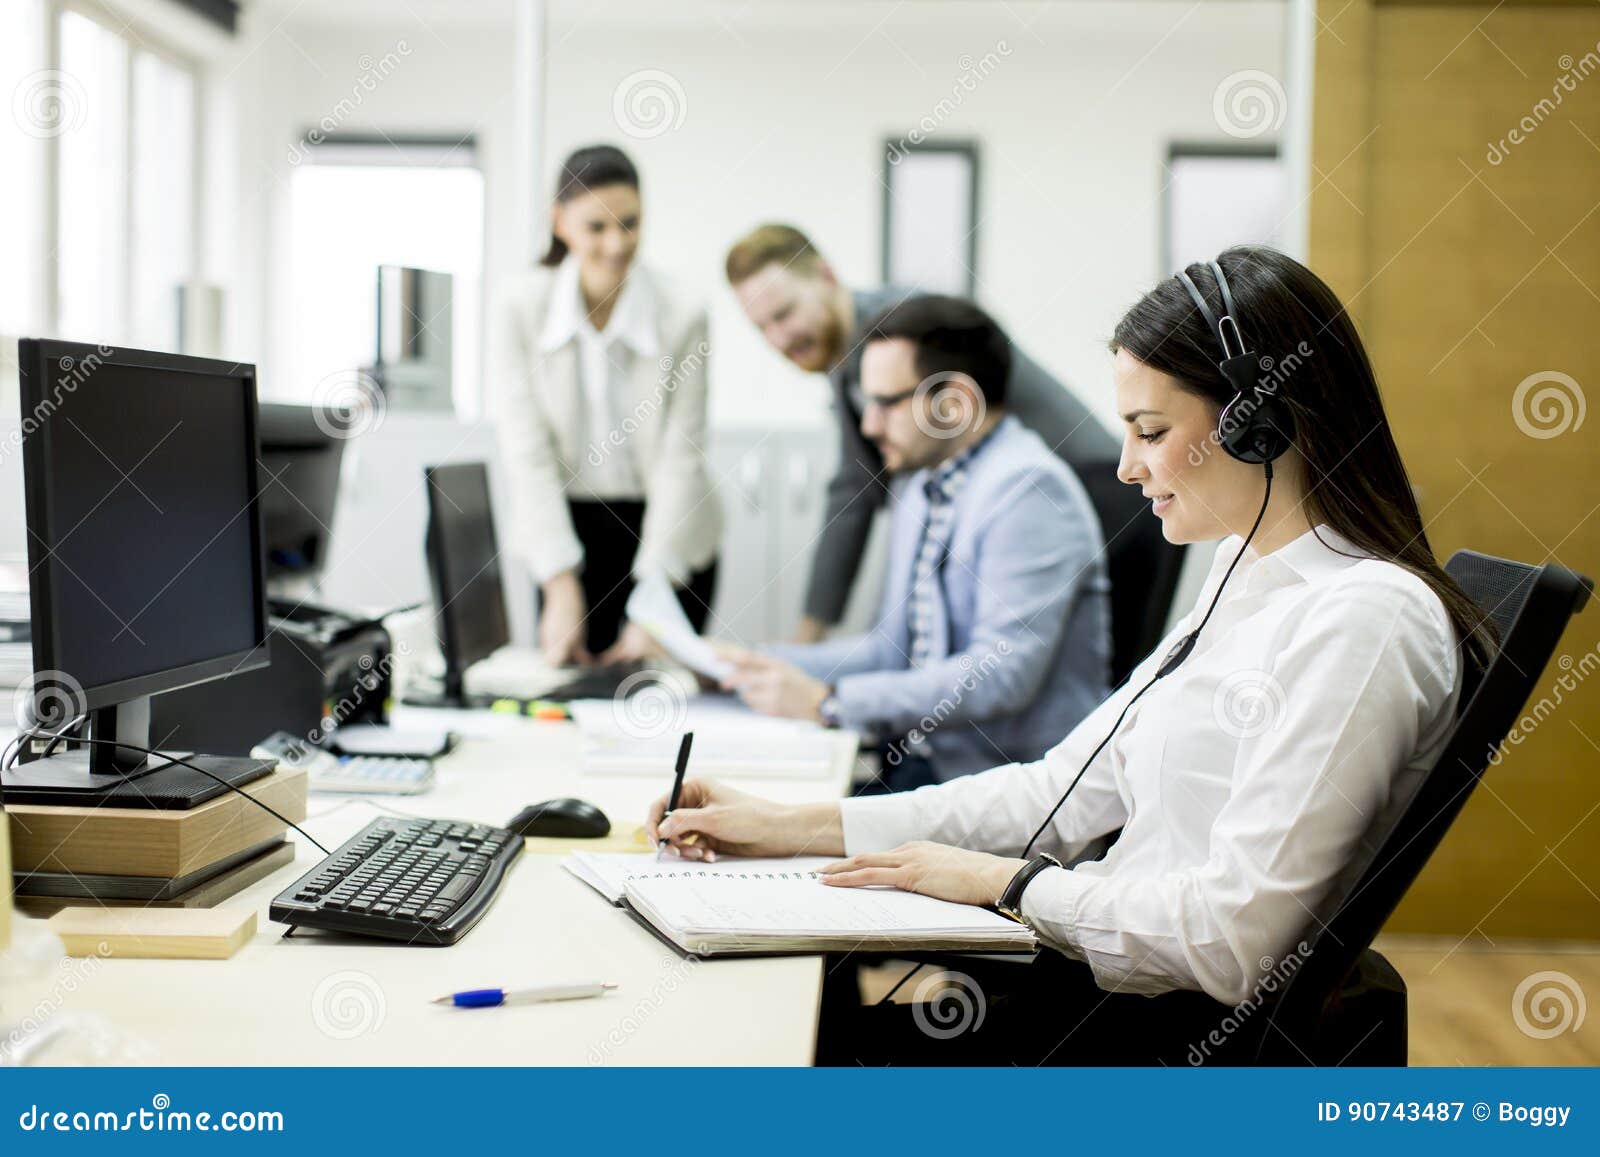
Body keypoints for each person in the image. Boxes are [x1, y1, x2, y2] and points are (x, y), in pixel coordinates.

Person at [647, 246, 1496, 1064]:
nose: (1126, 466)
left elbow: (1232, 940)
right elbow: (1057, 788)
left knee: (777, 1054)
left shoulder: (1365, 619)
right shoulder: (1246, 577)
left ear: (1256, 424)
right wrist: (785, 826)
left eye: (1152, 430)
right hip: (1097, 986)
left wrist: (1007, 886)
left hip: (1158, 1039)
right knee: (795, 1025)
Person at [720, 295, 1110, 790]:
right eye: (866, 404)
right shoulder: (923, 483)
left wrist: (830, 701)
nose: (868, 426)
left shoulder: (1029, 491)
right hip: (920, 766)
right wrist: (757, 665)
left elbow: (1001, 676)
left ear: (954, 402)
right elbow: (891, 649)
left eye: (885, 403)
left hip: (1002, 786)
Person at [724, 223, 1119, 643]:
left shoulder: (899, 334)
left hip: (1097, 494)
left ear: (826, 276)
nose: (778, 339)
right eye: (762, 327)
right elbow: (857, 489)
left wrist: (819, 648)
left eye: (784, 314)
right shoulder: (851, 356)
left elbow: (857, 491)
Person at [492, 145, 721, 665]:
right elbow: (527, 452)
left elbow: (681, 456)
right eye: (596, 226)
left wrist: (654, 597)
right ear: (560, 222)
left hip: (670, 533)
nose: (617, 244)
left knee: (655, 693)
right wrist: (558, 579)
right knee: (571, 695)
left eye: (631, 223)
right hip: (566, 533)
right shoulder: (520, 308)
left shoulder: (684, 313)